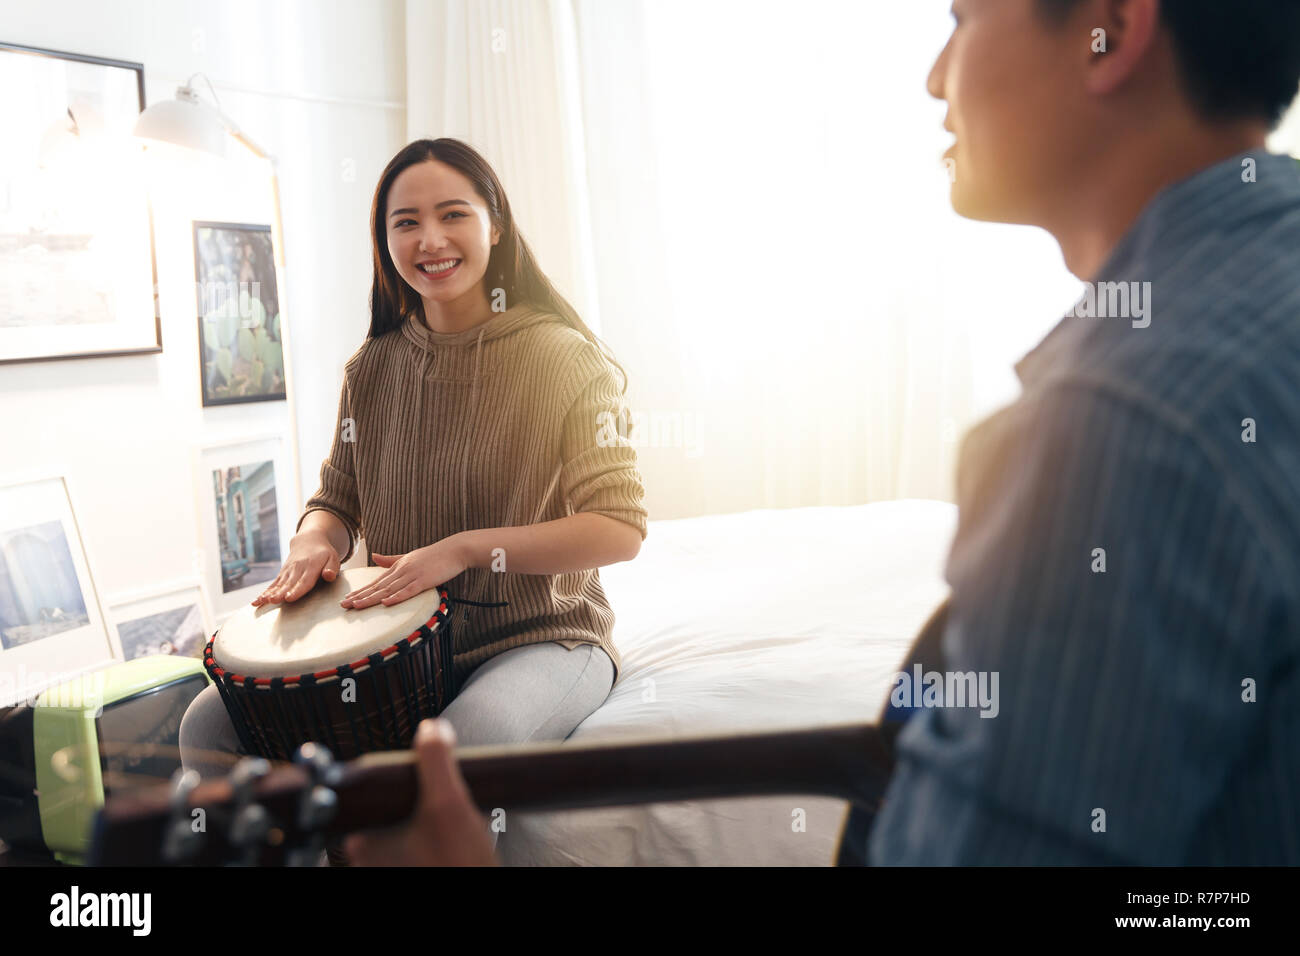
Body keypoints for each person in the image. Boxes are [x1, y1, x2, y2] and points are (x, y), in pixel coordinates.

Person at [346, 0, 1300, 866]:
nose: (935, 76)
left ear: (1112, 32)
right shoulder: (1253, 301)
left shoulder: (1118, 429)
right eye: (405, 222)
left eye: (964, 20)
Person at [179, 139, 648, 798]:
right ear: (385, 240)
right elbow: (337, 500)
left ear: (496, 224)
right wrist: (315, 540)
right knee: (209, 724)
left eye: (453, 214)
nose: (431, 239)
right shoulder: (372, 368)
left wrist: (460, 551)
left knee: (456, 752)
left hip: (539, 639)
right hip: (392, 652)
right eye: (406, 223)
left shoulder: (566, 359)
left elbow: (619, 528)